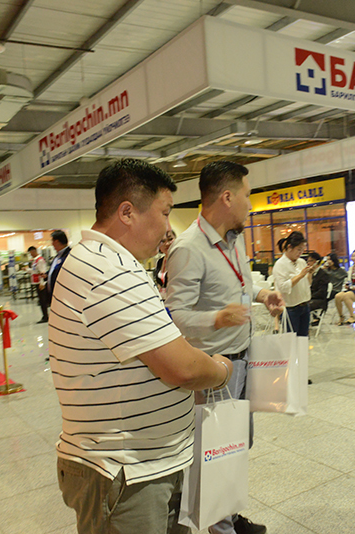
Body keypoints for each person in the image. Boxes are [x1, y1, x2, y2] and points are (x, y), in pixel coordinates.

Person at [49, 159, 234, 534]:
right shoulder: (107, 271)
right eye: (165, 213)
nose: (168, 228)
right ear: (128, 212)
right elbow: (180, 367)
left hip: (144, 463)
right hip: (123, 469)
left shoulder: (109, 263)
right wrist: (220, 369)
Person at [166, 160, 284, 534]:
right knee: (215, 450)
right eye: (248, 196)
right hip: (214, 370)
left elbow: (242, 282)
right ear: (227, 197)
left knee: (238, 442)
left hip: (245, 358)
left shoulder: (234, 238)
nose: (252, 205)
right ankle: (220, 527)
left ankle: (229, 513)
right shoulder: (188, 249)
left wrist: (263, 294)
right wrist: (217, 318)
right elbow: (176, 315)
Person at [273, 231, 315, 336]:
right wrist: (300, 276)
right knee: (291, 341)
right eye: (299, 249)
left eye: (302, 250)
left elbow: (307, 284)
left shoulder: (301, 262)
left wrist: (310, 274)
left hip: (305, 305)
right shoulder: (280, 264)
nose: (301, 252)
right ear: (290, 247)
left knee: (303, 339)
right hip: (291, 308)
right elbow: (282, 287)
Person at [333, 249, 355, 325]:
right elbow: (348, 280)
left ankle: (352, 316)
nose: (354, 258)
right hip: (351, 289)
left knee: (347, 295)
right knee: (337, 296)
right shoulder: (351, 268)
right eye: (353, 256)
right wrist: (346, 286)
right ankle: (341, 316)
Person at [307, 252, 330, 326]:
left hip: (319, 300)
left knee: (303, 307)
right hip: (310, 298)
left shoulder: (323, 274)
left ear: (315, 262)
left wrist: (309, 297)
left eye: (309, 261)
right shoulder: (309, 273)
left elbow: (322, 292)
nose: (308, 263)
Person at [27, 246, 49, 323]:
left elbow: (42, 272)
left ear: (34, 251)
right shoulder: (35, 260)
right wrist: (27, 270)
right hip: (36, 282)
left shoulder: (40, 260)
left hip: (40, 283)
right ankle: (45, 315)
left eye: (31, 253)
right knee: (41, 300)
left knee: (43, 301)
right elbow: (34, 271)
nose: (30, 254)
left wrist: (42, 283)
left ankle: (46, 316)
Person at [47, 229, 71, 297]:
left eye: (52, 241)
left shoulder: (69, 255)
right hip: (54, 294)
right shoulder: (57, 256)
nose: (52, 244)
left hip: (63, 294)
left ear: (57, 241)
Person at [153, 229, 176, 297]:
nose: (166, 243)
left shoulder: (182, 259)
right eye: (162, 241)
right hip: (164, 300)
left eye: (170, 239)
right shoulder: (160, 261)